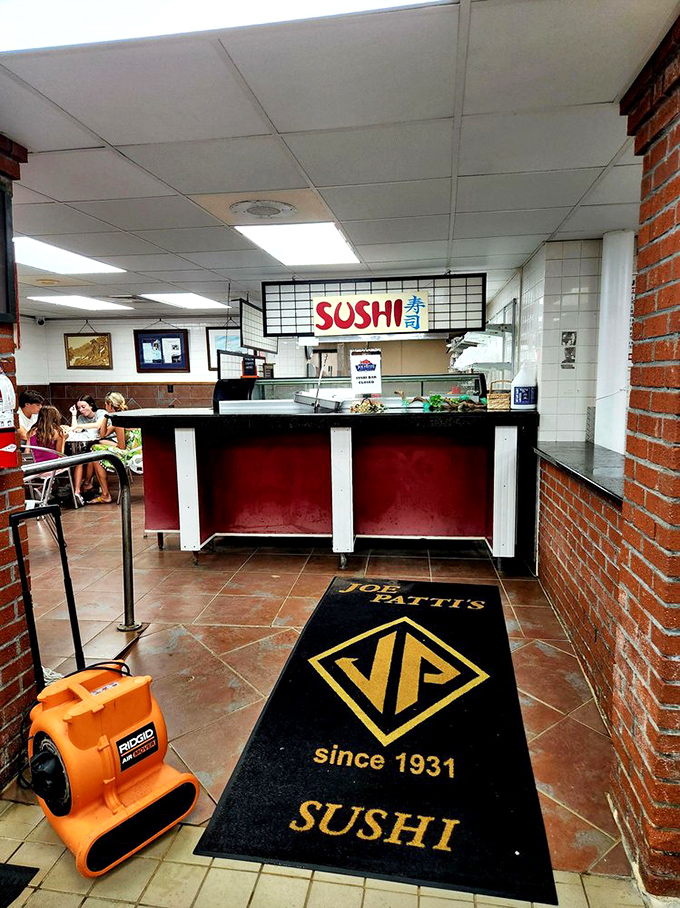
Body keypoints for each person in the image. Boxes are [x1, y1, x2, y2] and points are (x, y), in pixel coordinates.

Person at [89, 393, 142, 504]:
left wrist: (107, 443)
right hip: (139, 452)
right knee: (99, 444)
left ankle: (105, 494)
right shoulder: (125, 416)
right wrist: (106, 417)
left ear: (110, 405)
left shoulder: (119, 421)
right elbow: (103, 434)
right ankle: (97, 489)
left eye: (106, 404)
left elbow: (121, 447)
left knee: (95, 451)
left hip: (130, 455)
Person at [69, 395, 106, 505]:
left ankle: (87, 483)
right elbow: (74, 429)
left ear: (91, 405)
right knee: (83, 456)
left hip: (106, 440)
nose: (81, 410)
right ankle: (83, 486)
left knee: (92, 453)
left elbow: (99, 425)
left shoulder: (101, 413)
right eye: (79, 408)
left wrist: (79, 427)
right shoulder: (81, 417)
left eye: (83, 407)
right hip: (90, 443)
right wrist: (74, 414)